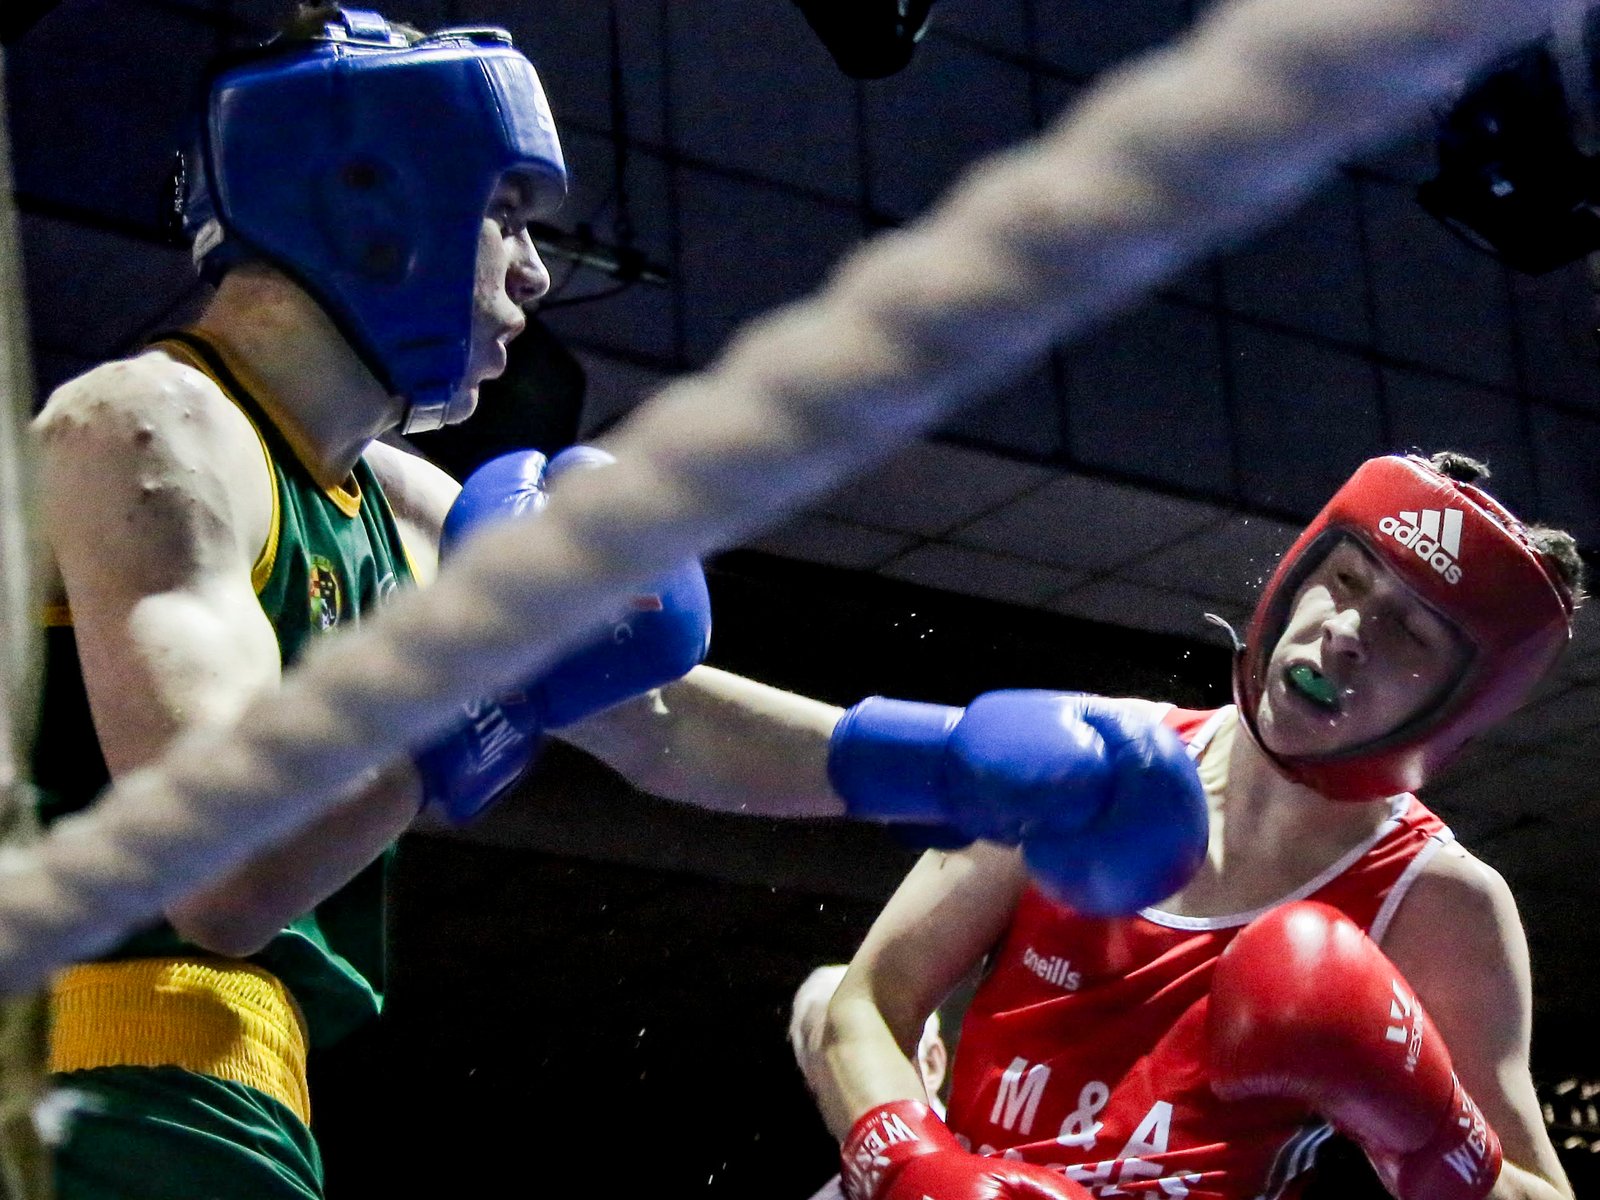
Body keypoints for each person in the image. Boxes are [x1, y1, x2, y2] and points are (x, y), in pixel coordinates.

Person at [28, 7, 1213, 1197]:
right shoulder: (150, 427)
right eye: (503, 215)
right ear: (380, 201)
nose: (536, 272)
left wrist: (952, 765)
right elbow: (218, 875)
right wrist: (498, 691)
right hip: (66, 1079)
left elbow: (652, 719)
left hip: (224, 1097)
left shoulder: (388, 497)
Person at [806, 452, 1582, 1200]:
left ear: (1458, 706)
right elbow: (868, 1004)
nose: (1347, 631)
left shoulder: (1437, 901)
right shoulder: (1083, 755)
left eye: (1408, 633)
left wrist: (1433, 1132)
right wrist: (915, 1173)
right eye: (1344, 581)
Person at [793, 965, 949, 1200]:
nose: (864, 1079)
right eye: (836, 1063)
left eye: (882, 1050)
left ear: (932, 1064)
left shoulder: (1012, 1157)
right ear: (813, 1090)